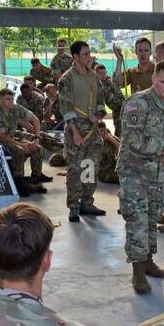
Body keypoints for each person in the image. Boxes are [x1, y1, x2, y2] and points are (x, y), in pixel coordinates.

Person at [117, 60, 164, 294]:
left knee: (152, 219)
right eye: (162, 82)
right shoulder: (137, 103)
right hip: (134, 173)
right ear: (154, 79)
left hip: (157, 174)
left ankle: (148, 260)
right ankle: (137, 272)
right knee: (137, 221)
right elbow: (132, 141)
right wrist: (160, 146)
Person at [57, 41, 106, 222]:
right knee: (75, 169)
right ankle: (74, 206)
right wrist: (75, 132)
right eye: (84, 54)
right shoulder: (67, 79)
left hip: (92, 131)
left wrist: (99, 114)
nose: (88, 57)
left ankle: (87, 202)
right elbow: (66, 106)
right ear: (75, 57)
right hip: (75, 129)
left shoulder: (93, 76)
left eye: (89, 53)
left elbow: (100, 98)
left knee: (90, 166)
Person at [0, 88, 46, 191]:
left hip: (11, 137)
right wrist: (21, 145)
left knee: (37, 148)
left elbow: (35, 120)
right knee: (19, 151)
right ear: (0, 100)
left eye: (12, 99)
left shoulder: (16, 108)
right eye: (7, 99)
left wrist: (36, 139)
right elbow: (1, 137)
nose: (11, 101)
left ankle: (35, 180)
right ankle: (18, 183)